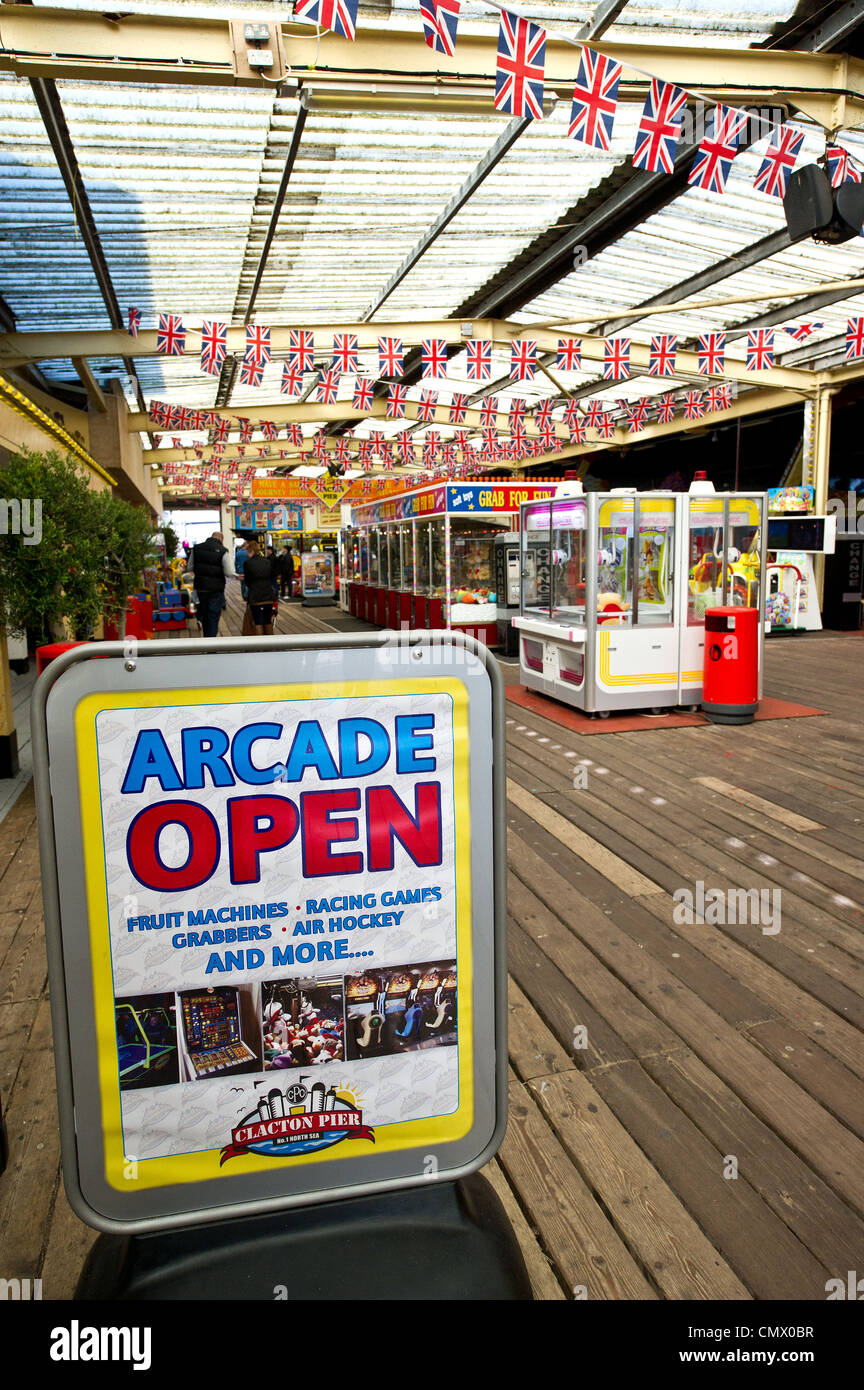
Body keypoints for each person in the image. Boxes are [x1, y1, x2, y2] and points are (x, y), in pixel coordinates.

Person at [190, 531, 234, 638]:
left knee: (204, 615)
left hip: (200, 588)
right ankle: (211, 645)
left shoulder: (196, 549)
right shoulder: (223, 551)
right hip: (216, 589)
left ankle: (206, 639)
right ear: (221, 539)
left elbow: (189, 567)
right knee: (213, 617)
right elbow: (228, 572)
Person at [243, 537, 277, 635]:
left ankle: (259, 644)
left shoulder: (248, 563)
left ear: (251, 551)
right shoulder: (267, 561)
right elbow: (270, 575)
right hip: (268, 593)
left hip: (255, 595)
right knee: (267, 619)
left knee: (257, 619)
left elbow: (247, 581)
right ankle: (269, 642)